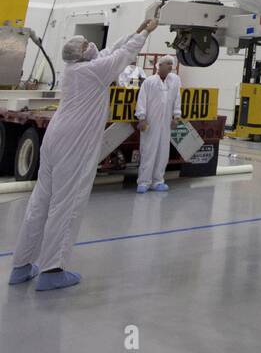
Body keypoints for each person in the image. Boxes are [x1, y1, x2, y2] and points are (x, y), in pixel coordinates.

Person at [9, 16, 159, 291]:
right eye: (87, 44)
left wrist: (138, 27)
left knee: (40, 202)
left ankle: (21, 266)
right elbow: (122, 55)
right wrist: (146, 33)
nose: (92, 46)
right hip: (74, 144)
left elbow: (111, 51)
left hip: (55, 139)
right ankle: (52, 270)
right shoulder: (93, 72)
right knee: (67, 202)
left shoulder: (75, 70)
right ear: (80, 53)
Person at [135, 57, 182, 193]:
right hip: (151, 122)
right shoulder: (149, 82)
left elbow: (177, 99)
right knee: (148, 151)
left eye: (171, 64)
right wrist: (142, 118)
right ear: (159, 65)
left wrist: (176, 116)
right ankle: (144, 182)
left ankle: (158, 181)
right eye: (167, 64)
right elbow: (142, 99)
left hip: (166, 123)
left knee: (163, 152)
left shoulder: (173, 82)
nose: (170, 66)